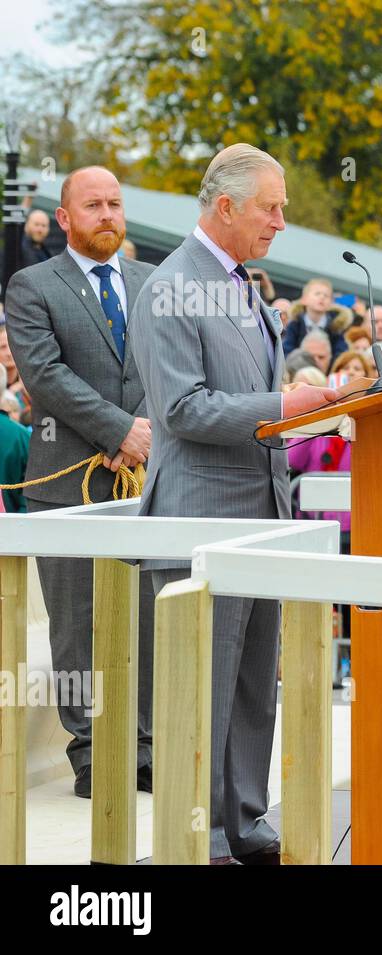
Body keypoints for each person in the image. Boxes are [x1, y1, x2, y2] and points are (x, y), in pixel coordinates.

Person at [131, 144, 338, 864]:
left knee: (253, 687)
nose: (282, 221)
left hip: (260, 522)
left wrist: (304, 405)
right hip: (201, 523)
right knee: (204, 696)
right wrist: (287, 405)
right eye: (271, 208)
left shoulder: (245, 283)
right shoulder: (170, 286)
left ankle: (244, 820)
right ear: (226, 207)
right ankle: (203, 833)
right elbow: (183, 408)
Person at [4, 166, 157, 796]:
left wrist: (143, 435)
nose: (107, 215)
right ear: (64, 218)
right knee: (78, 623)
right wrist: (119, 430)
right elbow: (44, 375)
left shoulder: (154, 283)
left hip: (149, 479)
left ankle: (145, 747)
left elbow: (171, 364)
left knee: (149, 614)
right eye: (92, 205)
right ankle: (92, 752)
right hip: (67, 480)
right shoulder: (32, 285)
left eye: (115, 204)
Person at [280, 278, 350, 359]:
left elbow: (341, 355)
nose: (322, 297)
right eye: (317, 294)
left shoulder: (335, 328)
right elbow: (287, 351)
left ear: (331, 303)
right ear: (304, 299)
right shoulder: (295, 325)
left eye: (326, 295)